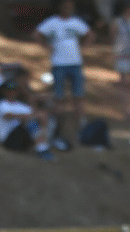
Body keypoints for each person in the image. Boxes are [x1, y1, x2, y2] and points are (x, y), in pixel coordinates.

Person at [36, 0, 91, 135]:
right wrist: (46, 46)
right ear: (60, 7)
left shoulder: (76, 22)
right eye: (65, 6)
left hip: (75, 64)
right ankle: (57, 125)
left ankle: (81, 124)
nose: (68, 9)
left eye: (70, 7)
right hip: (58, 64)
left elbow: (90, 34)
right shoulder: (52, 22)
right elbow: (37, 34)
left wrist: (82, 48)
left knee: (78, 95)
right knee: (58, 96)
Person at [0, 85, 52, 157]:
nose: (12, 92)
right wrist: (35, 116)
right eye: (9, 90)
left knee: (44, 119)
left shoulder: (20, 105)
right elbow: (9, 115)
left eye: (14, 90)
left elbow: (34, 113)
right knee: (29, 122)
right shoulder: (2, 104)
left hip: (20, 138)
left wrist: (33, 100)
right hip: (7, 139)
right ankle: (42, 149)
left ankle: (44, 146)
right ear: (5, 92)